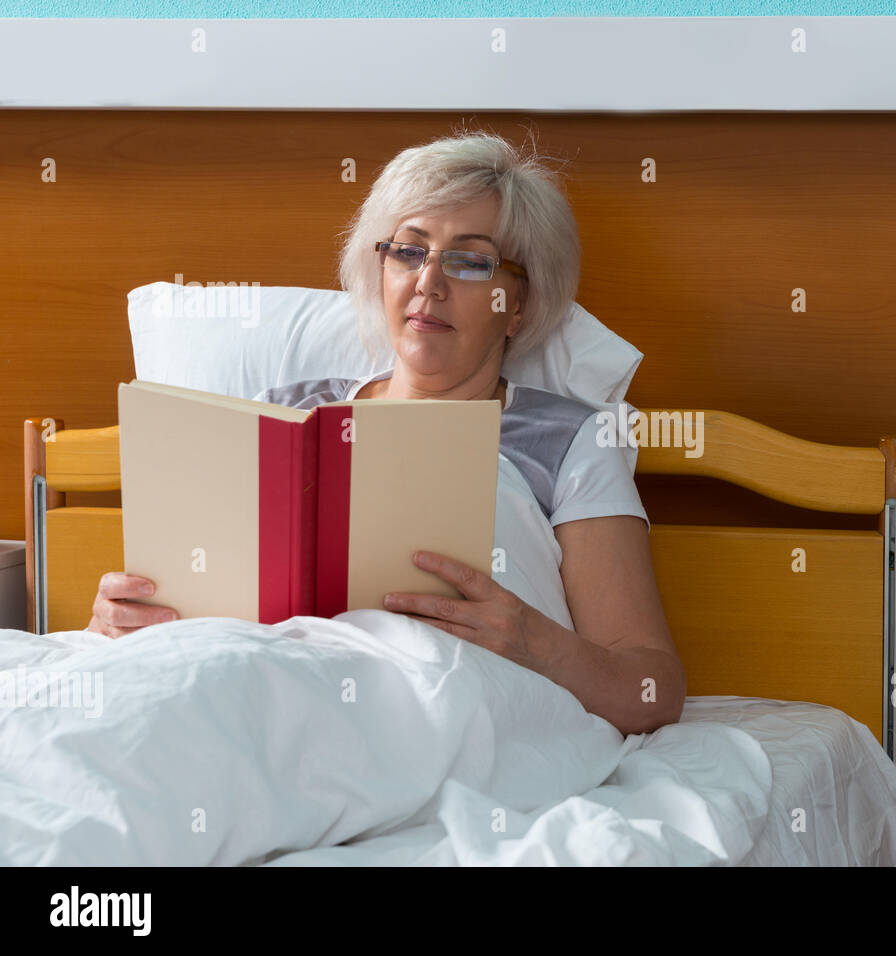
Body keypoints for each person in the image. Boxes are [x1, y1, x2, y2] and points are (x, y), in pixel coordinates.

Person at [89, 129, 686, 736]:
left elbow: (651, 689)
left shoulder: (570, 441)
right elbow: (190, 606)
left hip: (441, 717)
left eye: (471, 261)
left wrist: (532, 639)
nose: (429, 282)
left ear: (522, 305)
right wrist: (119, 621)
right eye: (408, 251)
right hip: (247, 695)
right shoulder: (281, 416)